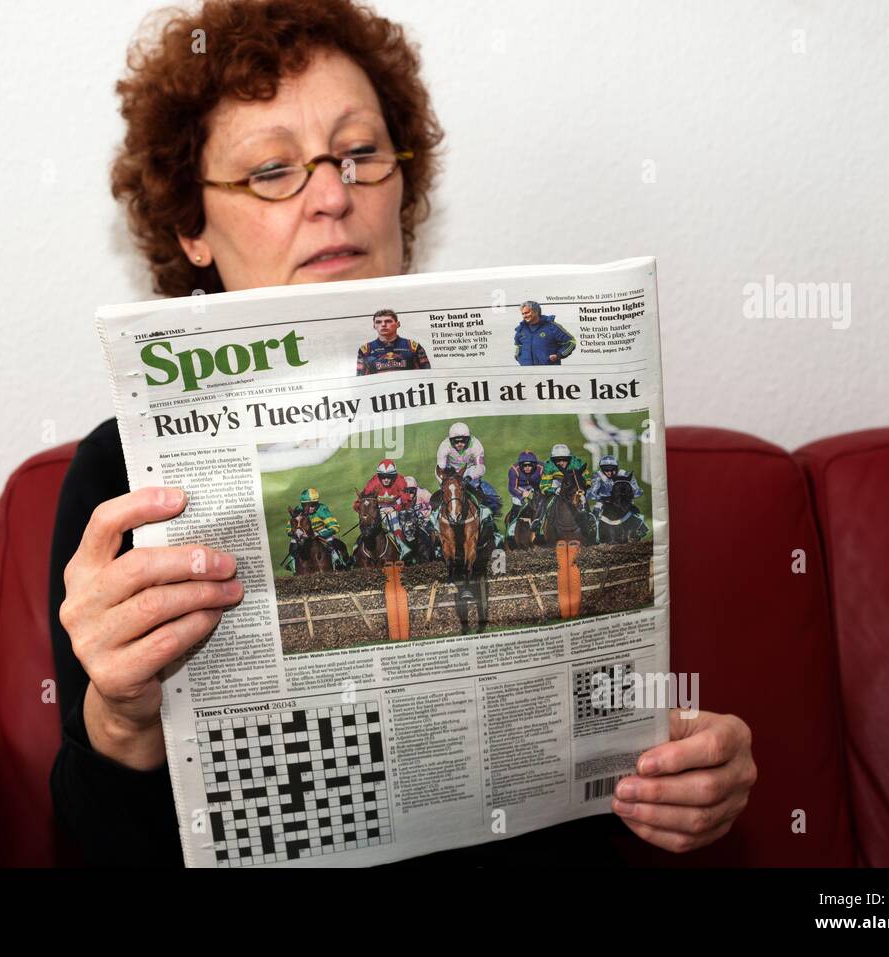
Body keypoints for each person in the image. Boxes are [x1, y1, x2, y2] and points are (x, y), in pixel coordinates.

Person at [50, 0, 755, 868]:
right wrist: (117, 720)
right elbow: (103, 848)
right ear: (191, 227)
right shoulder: (116, 474)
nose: (334, 196)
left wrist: (684, 777)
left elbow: (603, 763)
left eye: (360, 154)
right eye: (273, 169)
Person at [434, 422, 501, 547]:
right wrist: (446, 483)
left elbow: (481, 467)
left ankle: (491, 526)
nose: (460, 444)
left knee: (483, 495)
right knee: (443, 496)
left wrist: (469, 477)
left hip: (470, 471)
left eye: (463, 441)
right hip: (450, 473)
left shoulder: (476, 445)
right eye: (456, 441)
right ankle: (435, 527)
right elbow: (440, 469)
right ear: (451, 441)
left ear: (468, 439)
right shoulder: (444, 446)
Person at [282, 487, 350, 571]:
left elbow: (335, 527)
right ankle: (293, 567)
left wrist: (320, 534)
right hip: (302, 534)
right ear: (302, 505)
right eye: (306, 505)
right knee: (293, 546)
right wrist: (295, 533)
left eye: (313, 505)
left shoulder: (322, 510)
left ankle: (338, 562)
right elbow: (289, 529)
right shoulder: (298, 510)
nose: (310, 508)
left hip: (321, 533)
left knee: (332, 544)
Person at [357, 459, 412, 560]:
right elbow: (362, 499)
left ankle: (402, 547)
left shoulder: (400, 480)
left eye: (389, 476)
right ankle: (358, 546)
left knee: (396, 527)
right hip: (377, 509)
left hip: (394, 508)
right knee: (367, 524)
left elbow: (407, 501)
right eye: (382, 476)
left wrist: (394, 508)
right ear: (379, 475)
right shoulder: (373, 482)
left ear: (394, 475)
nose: (386, 479)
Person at [356, 308, 431, 375]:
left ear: (398, 324)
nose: (383, 325)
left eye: (388, 321)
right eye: (378, 322)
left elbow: (428, 374)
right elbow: (360, 378)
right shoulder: (365, 349)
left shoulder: (413, 346)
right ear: (374, 326)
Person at [514, 300, 576, 365]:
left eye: (527, 313)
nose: (524, 316)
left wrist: (559, 355)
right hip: (527, 371)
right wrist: (518, 357)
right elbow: (518, 345)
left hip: (548, 371)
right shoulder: (521, 329)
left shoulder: (552, 327)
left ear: (536, 311)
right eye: (523, 314)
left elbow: (571, 342)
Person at [506, 450, 543, 529]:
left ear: (535, 465)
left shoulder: (542, 468)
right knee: (517, 502)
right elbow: (512, 488)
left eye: (530, 465)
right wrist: (522, 494)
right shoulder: (514, 470)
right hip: (520, 489)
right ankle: (512, 526)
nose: (527, 468)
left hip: (537, 488)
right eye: (524, 465)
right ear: (520, 465)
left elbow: (545, 483)